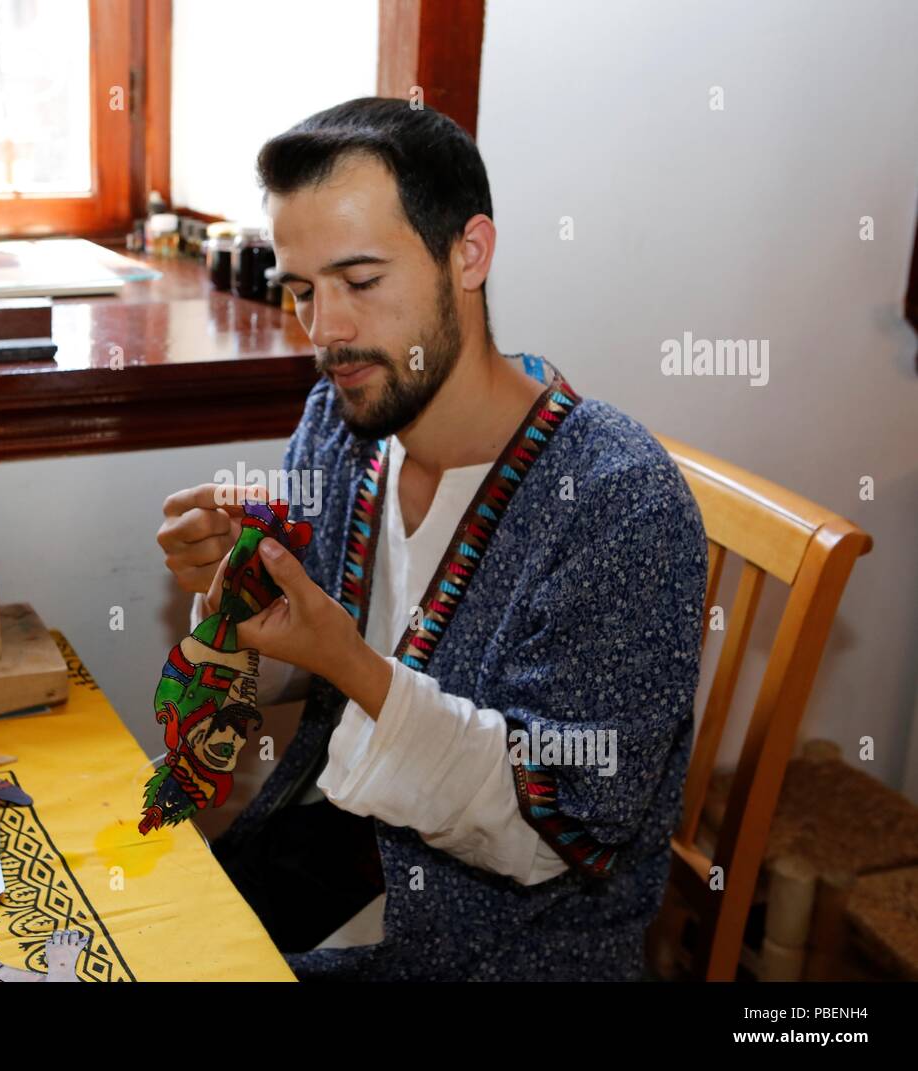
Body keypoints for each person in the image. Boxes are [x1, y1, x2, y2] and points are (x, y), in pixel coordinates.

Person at [155, 98, 708, 981]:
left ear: (469, 253)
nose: (325, 331)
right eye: (301, 290)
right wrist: (243, 593)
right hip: (334, 864)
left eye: (361, 281)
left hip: (502, 951)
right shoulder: (345, 425)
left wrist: (350, 660)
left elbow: (558, 827)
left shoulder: (618, 502)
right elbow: (312, 666)